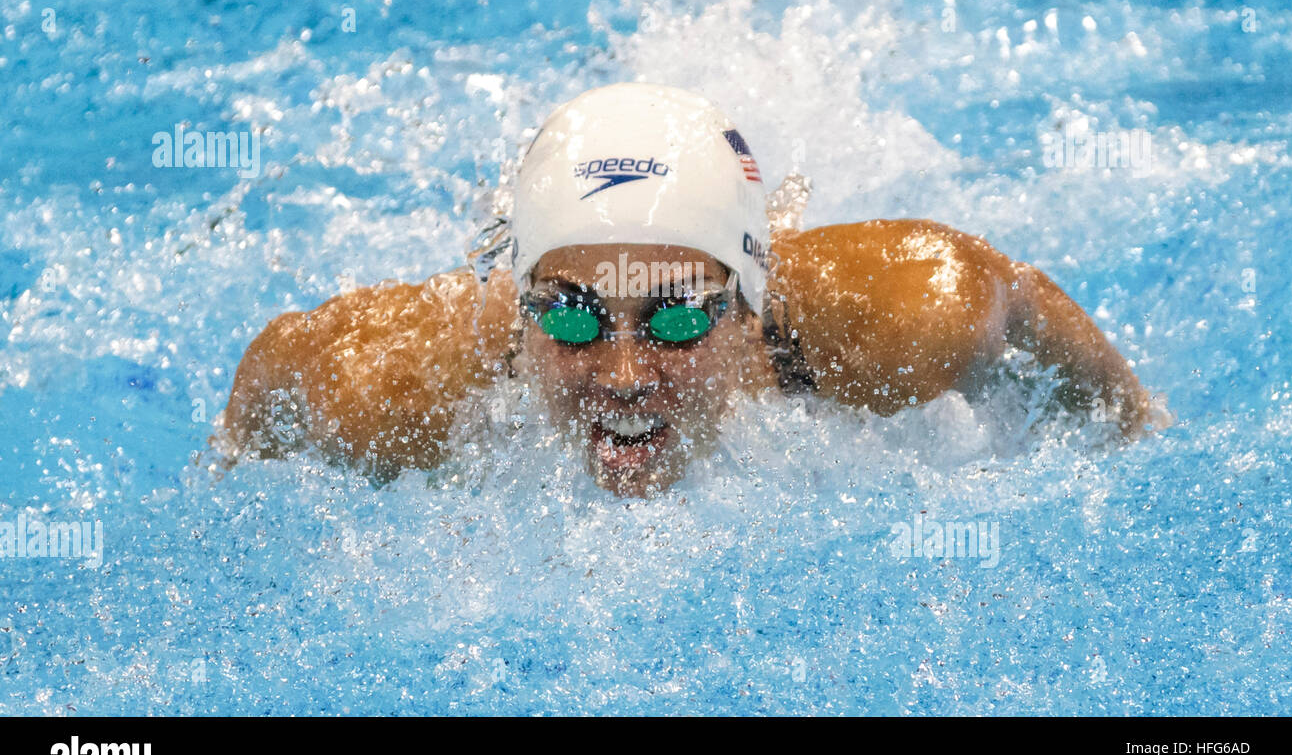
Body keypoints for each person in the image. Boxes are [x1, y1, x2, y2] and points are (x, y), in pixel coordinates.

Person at [219, 83, 1167, 496]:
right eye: (571, 318)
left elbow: (1025, 297)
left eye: (674, 317)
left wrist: (1137, 427)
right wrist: (225, 469)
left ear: (748, 314)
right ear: (518, 309)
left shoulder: (901, 315)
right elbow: (272, 367)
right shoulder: (394, 385)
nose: (625, 375)